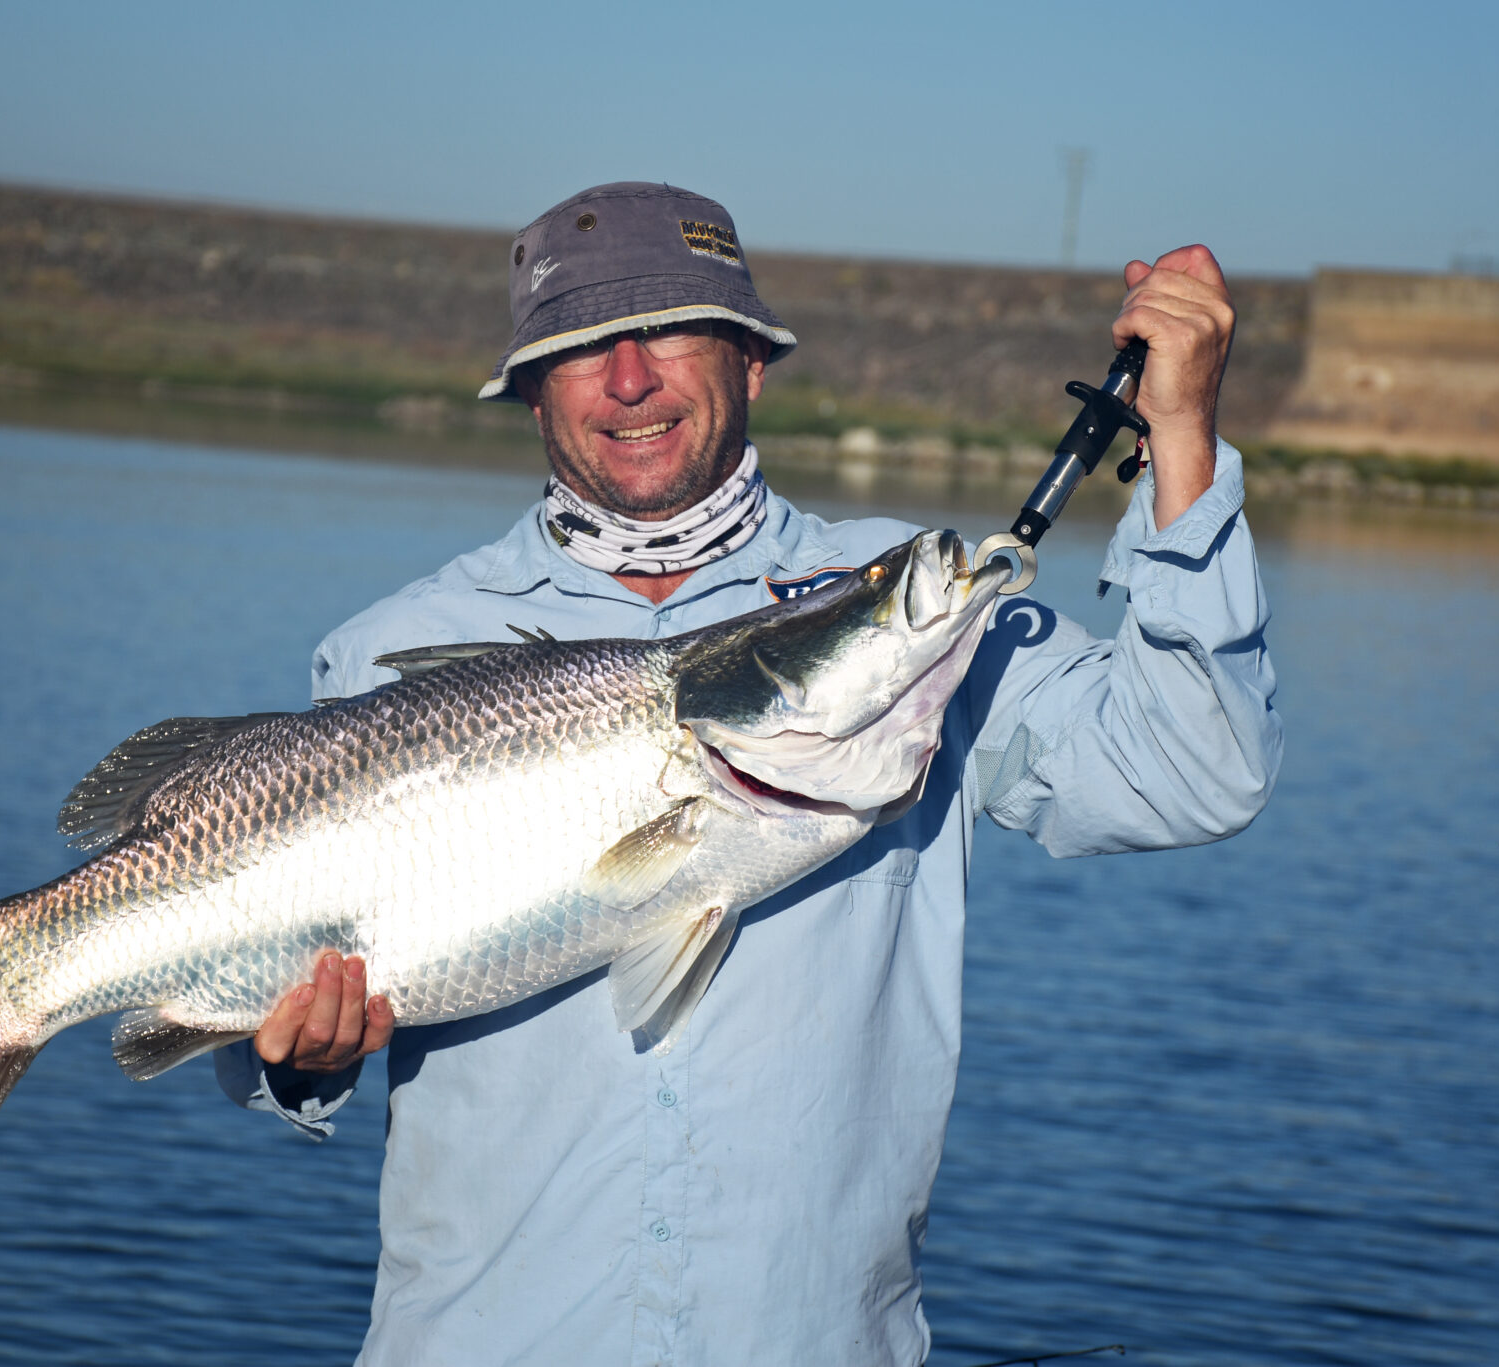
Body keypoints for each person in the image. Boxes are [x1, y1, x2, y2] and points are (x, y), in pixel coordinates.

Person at [214, 182, 1279, 1365]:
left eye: (668, 329)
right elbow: (262, 995)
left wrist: (1180, 435)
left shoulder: (917, 627)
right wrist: (287, 1063)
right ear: (528, 388)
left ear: (752, 363)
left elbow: (1197, 771)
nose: (628, 378)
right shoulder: (387, 651)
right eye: (577, 348)